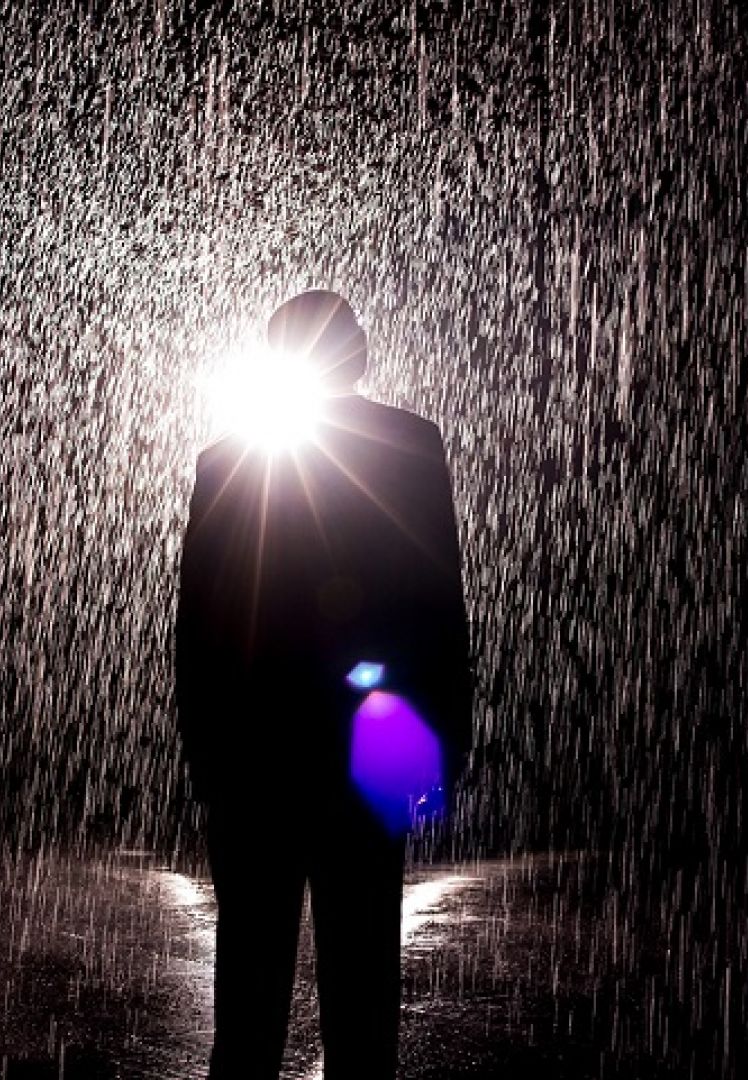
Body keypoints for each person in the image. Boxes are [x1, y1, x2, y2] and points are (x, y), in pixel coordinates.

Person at [175, 290, 472, 1079]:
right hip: (366, 755)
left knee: (248, 994)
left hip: (255, 756)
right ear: (357, 354)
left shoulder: (228, 460)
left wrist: (205, 754)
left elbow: (200, 622)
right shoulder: (411, 445)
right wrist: (444, 740)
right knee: (362, 990)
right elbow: (438, 603)